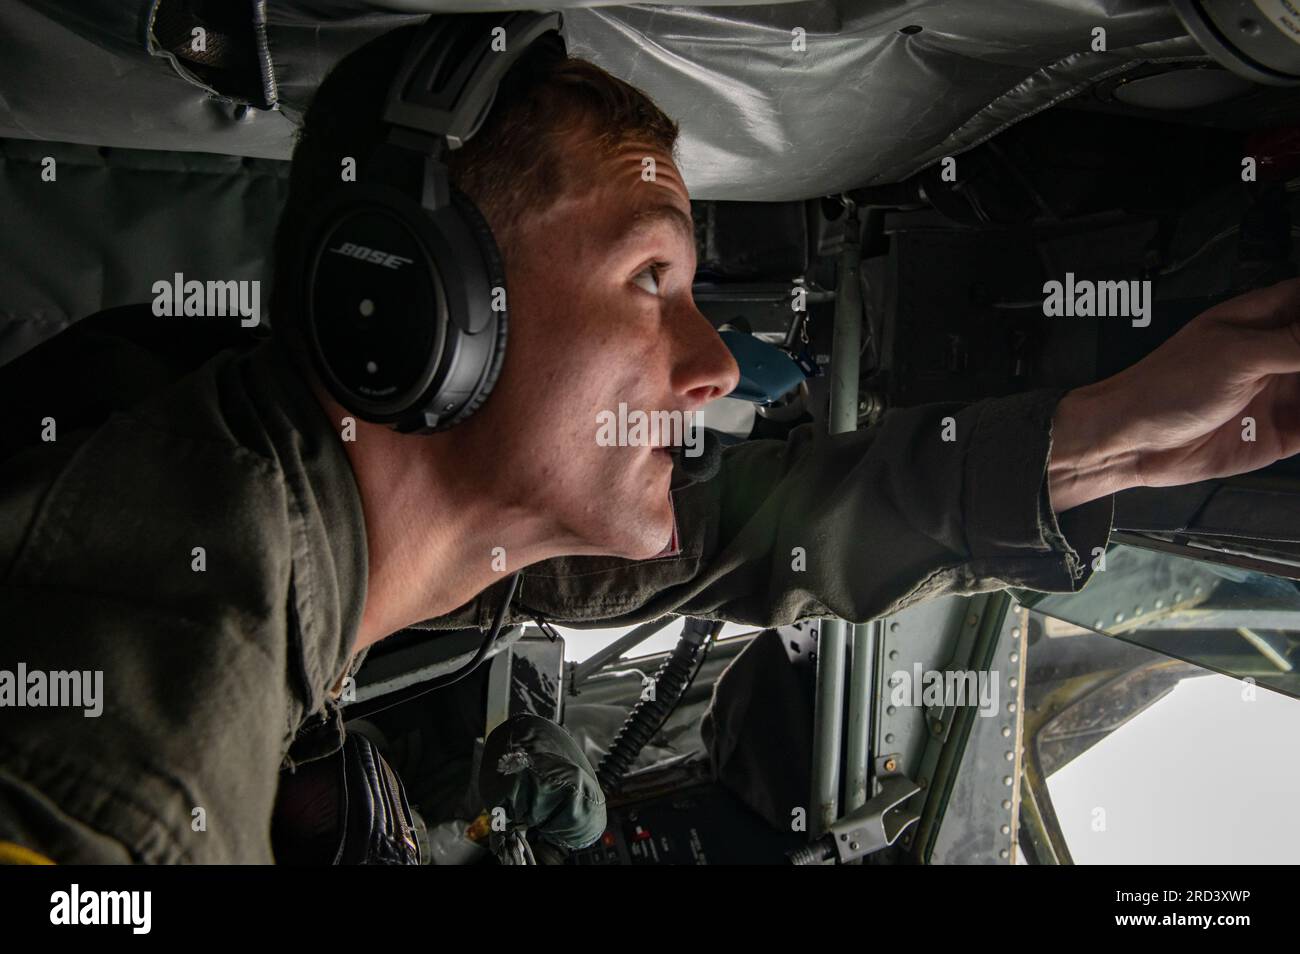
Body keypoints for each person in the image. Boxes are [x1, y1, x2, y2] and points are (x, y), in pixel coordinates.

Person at [1, 22, 1298, 864]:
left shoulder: (261, 484)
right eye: (647, 283)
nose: (718, 363)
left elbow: (748, 538)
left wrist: (1119, 440)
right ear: (407, 308)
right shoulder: (126, 781)